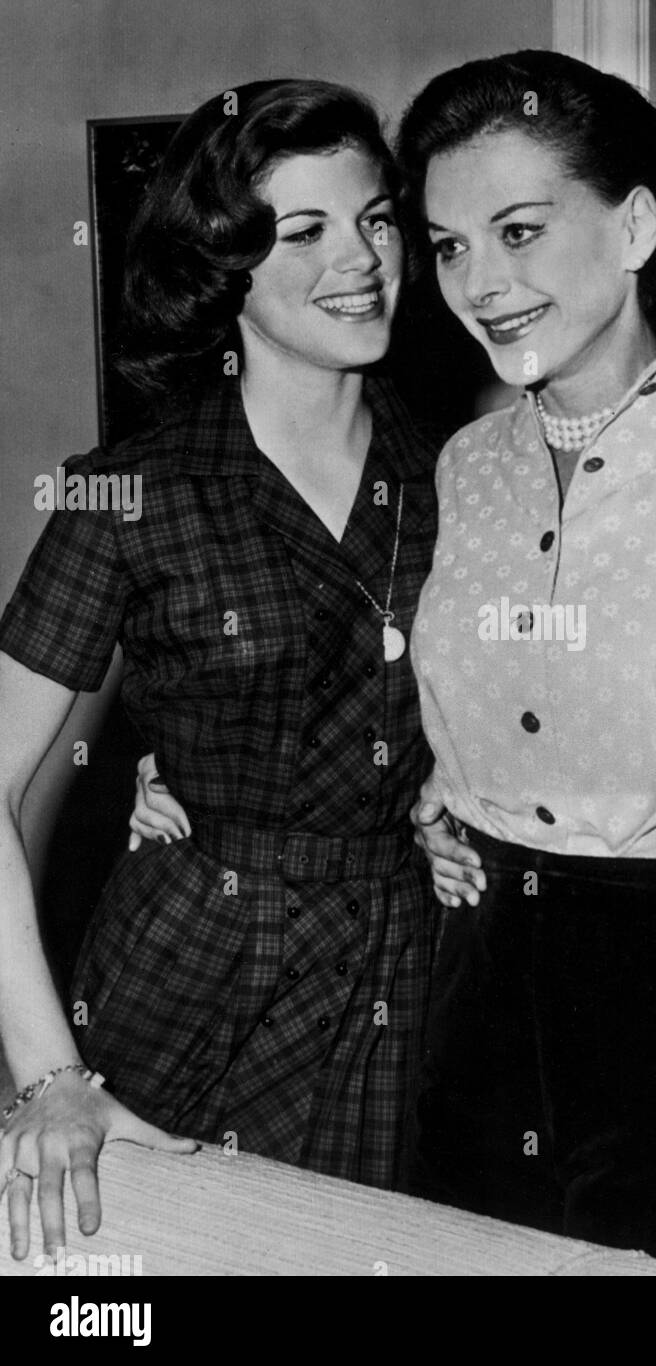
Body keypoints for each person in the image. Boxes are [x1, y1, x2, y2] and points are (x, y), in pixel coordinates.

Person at [389, 49, 656, 1275]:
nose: (481, 281)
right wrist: (446, 794)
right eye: (449, 245)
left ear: (635, 225)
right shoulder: (466, 461)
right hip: (477, 974)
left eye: (518, 230)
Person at [0, 79, 440, 1261]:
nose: (360, 259)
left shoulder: (469, 464)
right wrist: (48, 1074)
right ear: (223, 268)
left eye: (378, 217)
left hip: (396, 970)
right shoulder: (126, 490)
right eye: (303, 232)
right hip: (185, 958)